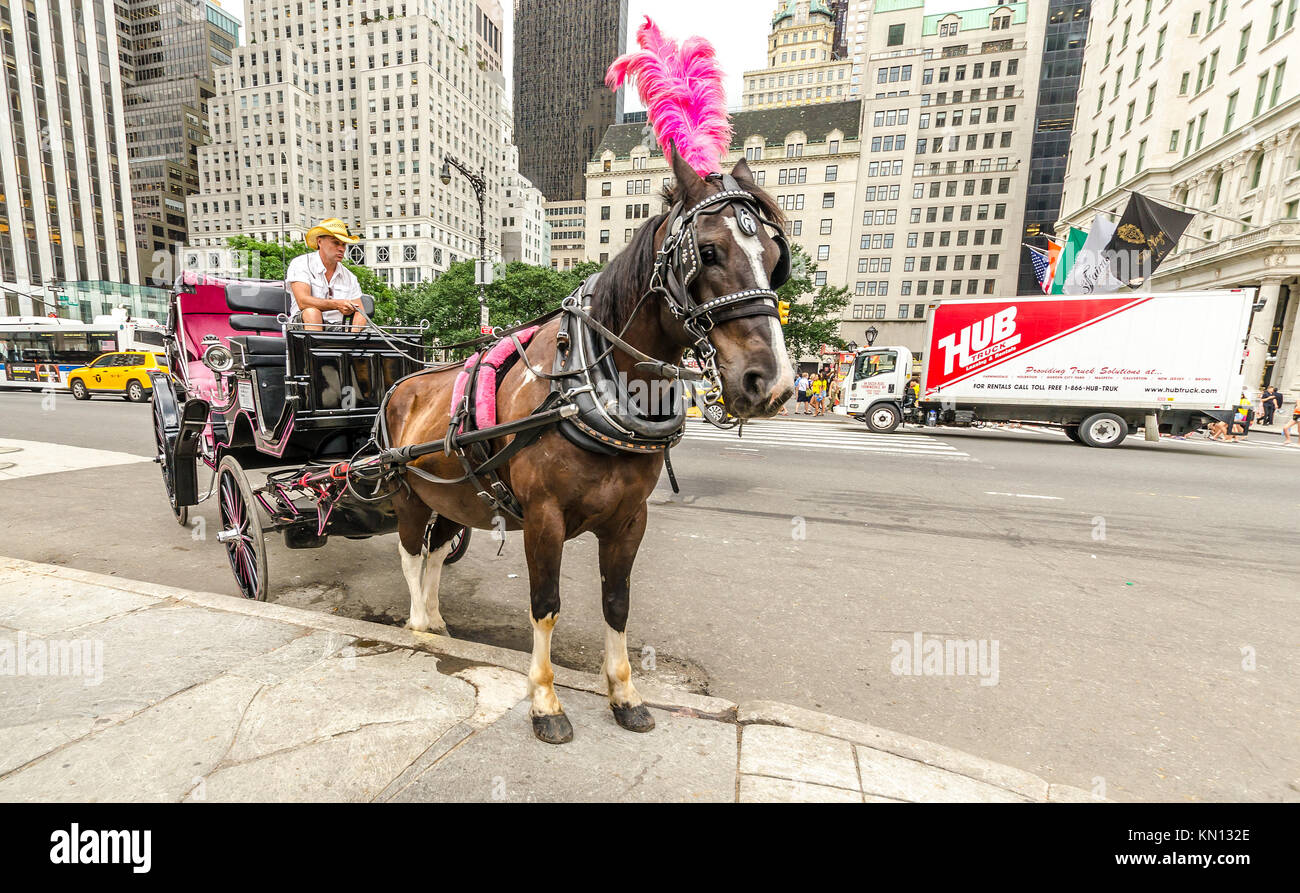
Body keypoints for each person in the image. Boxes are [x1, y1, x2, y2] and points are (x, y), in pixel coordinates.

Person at [286, 218, 369, 332]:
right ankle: (316, 348)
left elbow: (361, 312)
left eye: (344, 244)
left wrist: (352, 335)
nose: (341, 249)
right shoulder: (301, 263)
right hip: (301, 328)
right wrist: (336, 304)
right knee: (312, 312)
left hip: (337, 328)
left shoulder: (350, 277)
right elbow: (303, 301)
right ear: (320, 242)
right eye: (335, 242)